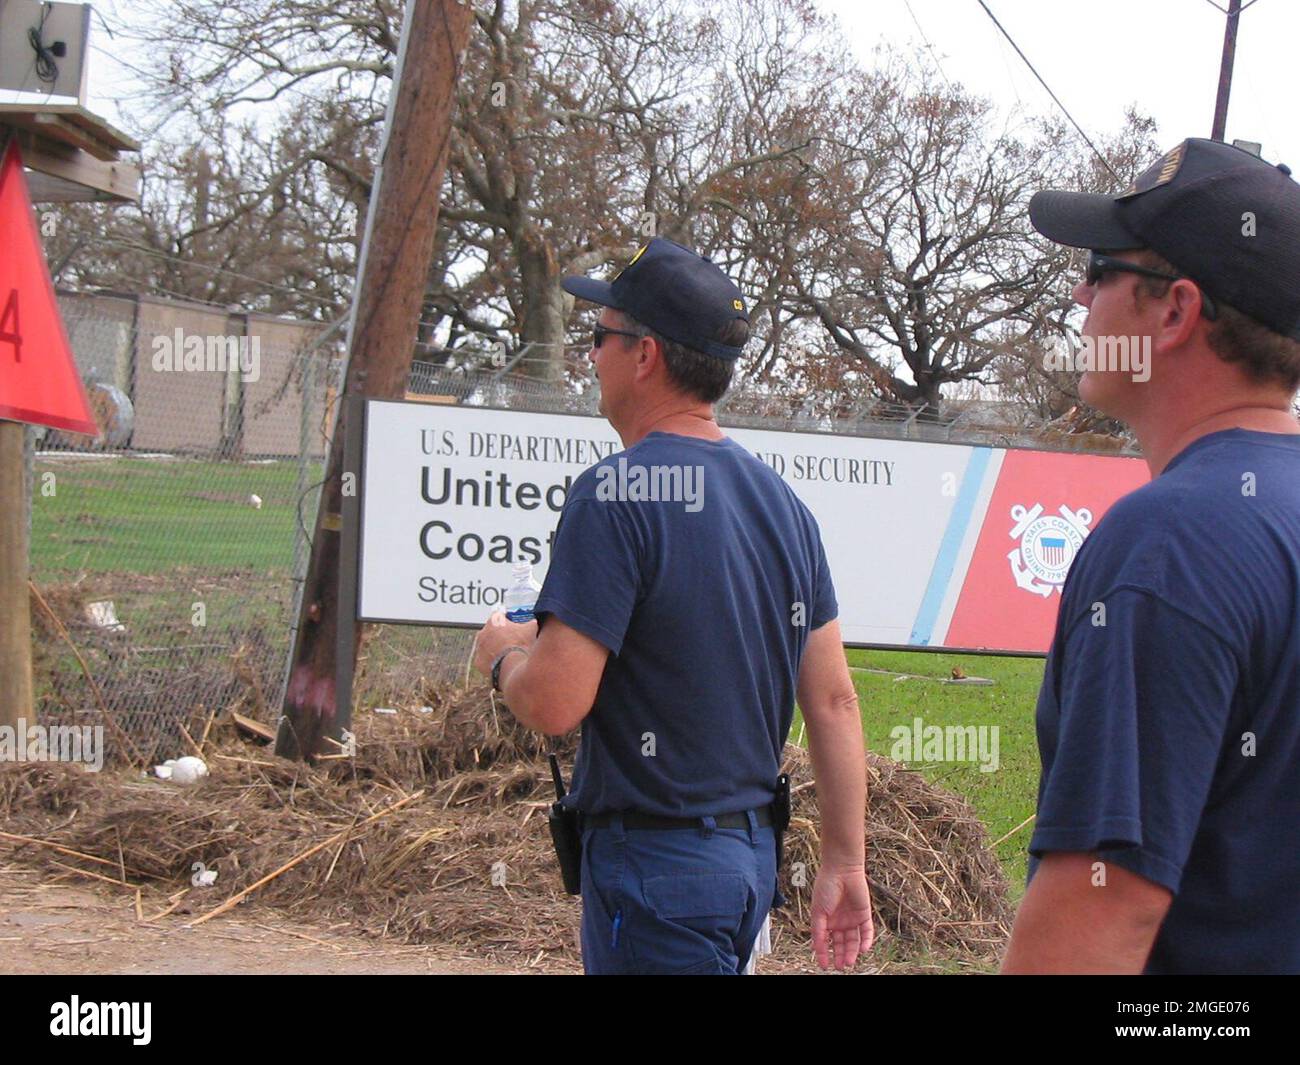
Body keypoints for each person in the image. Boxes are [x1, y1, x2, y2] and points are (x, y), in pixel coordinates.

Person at [472, 236, 873, 974]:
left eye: (600, 336)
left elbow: (556, 701)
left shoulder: (613, 492)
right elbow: (836, 702)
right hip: (749, 861)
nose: (590, 355)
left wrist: (502, 654)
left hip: (655, 867)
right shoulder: (784, 505)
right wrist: (845, 860)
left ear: (645, 354)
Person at [1003, 138, 1300, 974]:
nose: (1079, 293)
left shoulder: (1170, 542)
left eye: (1100, 270)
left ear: (1173, 312)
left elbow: (1102, 917)